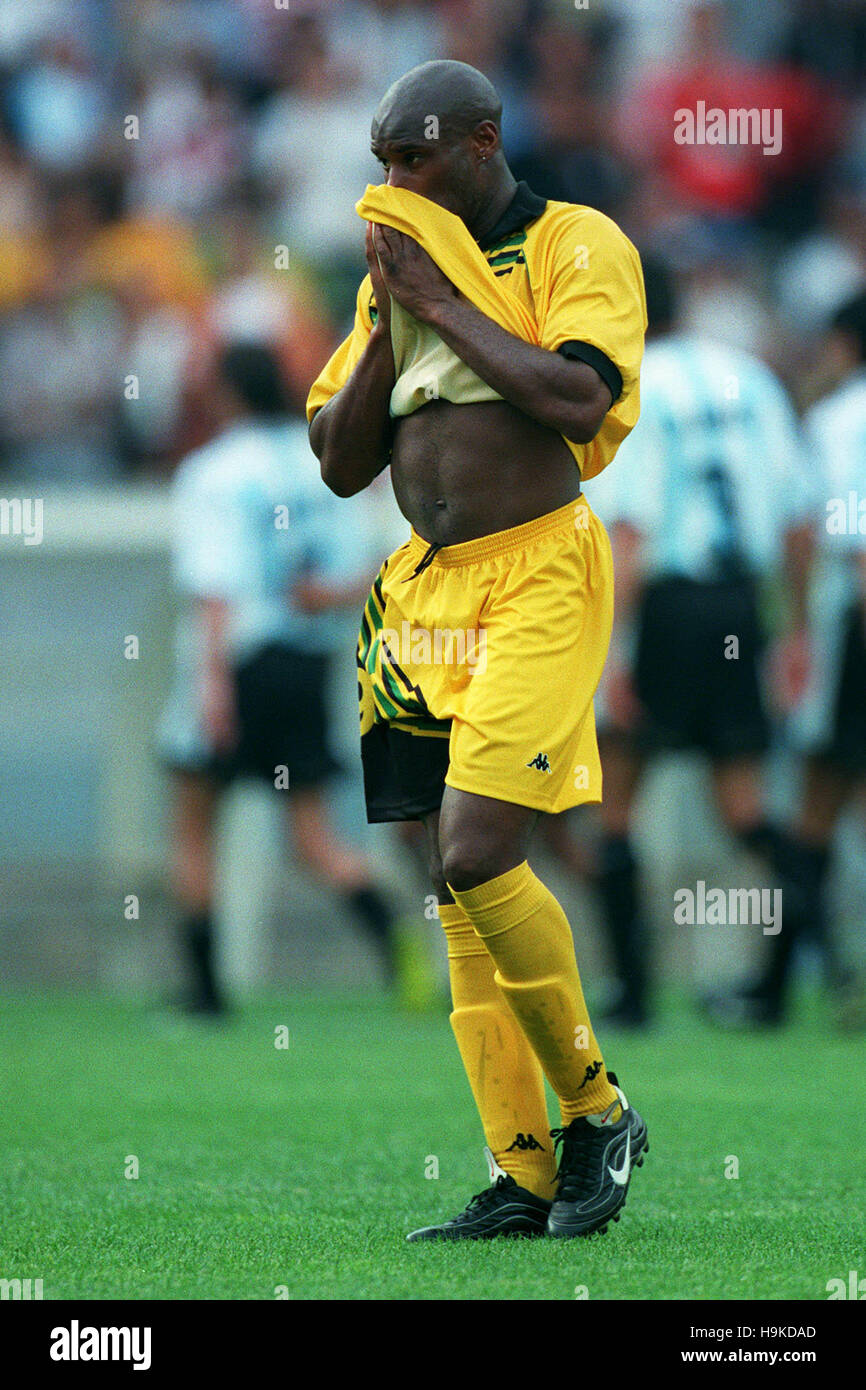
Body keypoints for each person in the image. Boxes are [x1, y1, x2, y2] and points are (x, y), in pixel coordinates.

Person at [307, 60, 648, 1240]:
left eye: (413, 159)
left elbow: (575, 398)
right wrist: (388, 320)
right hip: (420, 597)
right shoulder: (391, 276)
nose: (392, 182)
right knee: (449, 888)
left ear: (482, 142)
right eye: (381, 163)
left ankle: (597, 1110)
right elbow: (342, 463)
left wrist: (444, 305)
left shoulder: (573, 241)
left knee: (478, 843)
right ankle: (524, 1169)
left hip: (538, 574)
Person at [585, 257, 815, 1028]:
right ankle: (794, 977)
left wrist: (613, 653)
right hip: (740, 605)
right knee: (746, 807)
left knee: (617, 802)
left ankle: (633, 995)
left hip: (666, 610)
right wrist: (796, 629)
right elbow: (796, 519)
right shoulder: (751, 379)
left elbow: (630, 532)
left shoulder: (631, 388)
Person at [159, 341, 408, 1017]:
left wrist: (211, 690)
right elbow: (373, 561)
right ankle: (398, 945)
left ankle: (205, 993)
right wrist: (326, 597)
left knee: (193, 822)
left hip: (237, 660)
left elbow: (216, 588)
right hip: (304, 662)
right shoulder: (318, 460)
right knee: (313, 838)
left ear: (226, 393)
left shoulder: (212, 471)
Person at [710, 291, 866, 1030]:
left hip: (853, 631)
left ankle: (788, 987)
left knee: (814, 811)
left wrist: (800, 630)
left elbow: (830, 532)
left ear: (845, 344)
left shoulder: (842, 421)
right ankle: (787, 984)